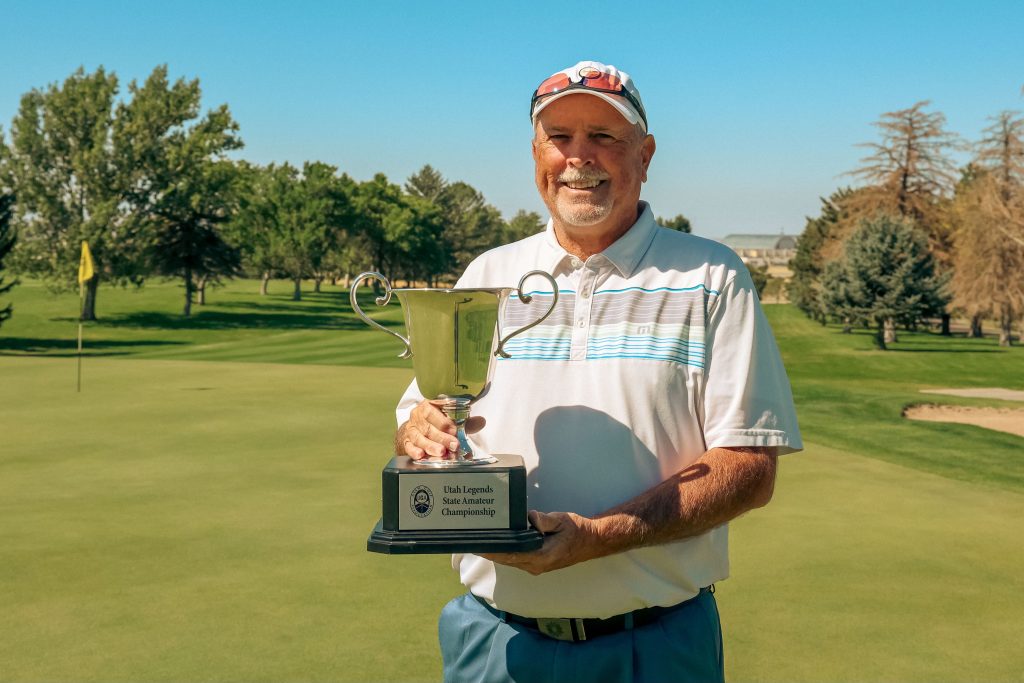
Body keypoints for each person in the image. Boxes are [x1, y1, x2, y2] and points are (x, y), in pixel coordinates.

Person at [394, 60, 802, 683]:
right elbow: (423, 416)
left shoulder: (710, 277)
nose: (578, 156)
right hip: (493, 641)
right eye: (560, 136)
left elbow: (748, 470)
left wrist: (598, 536)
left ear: (646, 154)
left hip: (655, 647)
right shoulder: (488, 273)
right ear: (536, 153)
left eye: (604, 136)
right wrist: (419, 432)